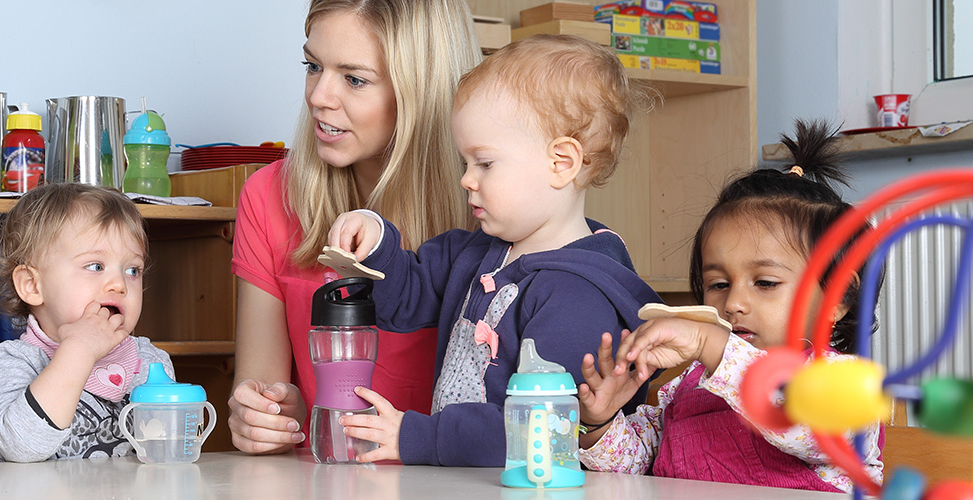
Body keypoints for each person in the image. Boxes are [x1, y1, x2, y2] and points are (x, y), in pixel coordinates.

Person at [327, 34, 661, 466]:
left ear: (561, 163)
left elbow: (540, 430)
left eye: (484, 163)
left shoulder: (577, 295)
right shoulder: (472, 251)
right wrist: (375, 241)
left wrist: (420, 437)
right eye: (465, 162)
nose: (467, 179)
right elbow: (404, 300)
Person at [228, 0, 482, 454]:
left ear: (420, 91)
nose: (318, 96)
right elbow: (263, 396)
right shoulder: (267, 196)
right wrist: (263, 419)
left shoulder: (491, 208)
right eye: (312, 66)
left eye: (354, 79)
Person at [576, 119, 885, 493]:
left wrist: (714, 346)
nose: (734, 303)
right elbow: (638, 465)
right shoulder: (691, 386)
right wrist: (601, 423)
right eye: (718, 284)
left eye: (765, 283)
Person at [0, 183, 174, 462]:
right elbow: (19, 447)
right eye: (95, 266)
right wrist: (78, 350)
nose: (119, 284)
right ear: (32, 285)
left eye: (132, 270)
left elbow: (167, 456)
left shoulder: (150, 361)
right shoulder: (9, 362)